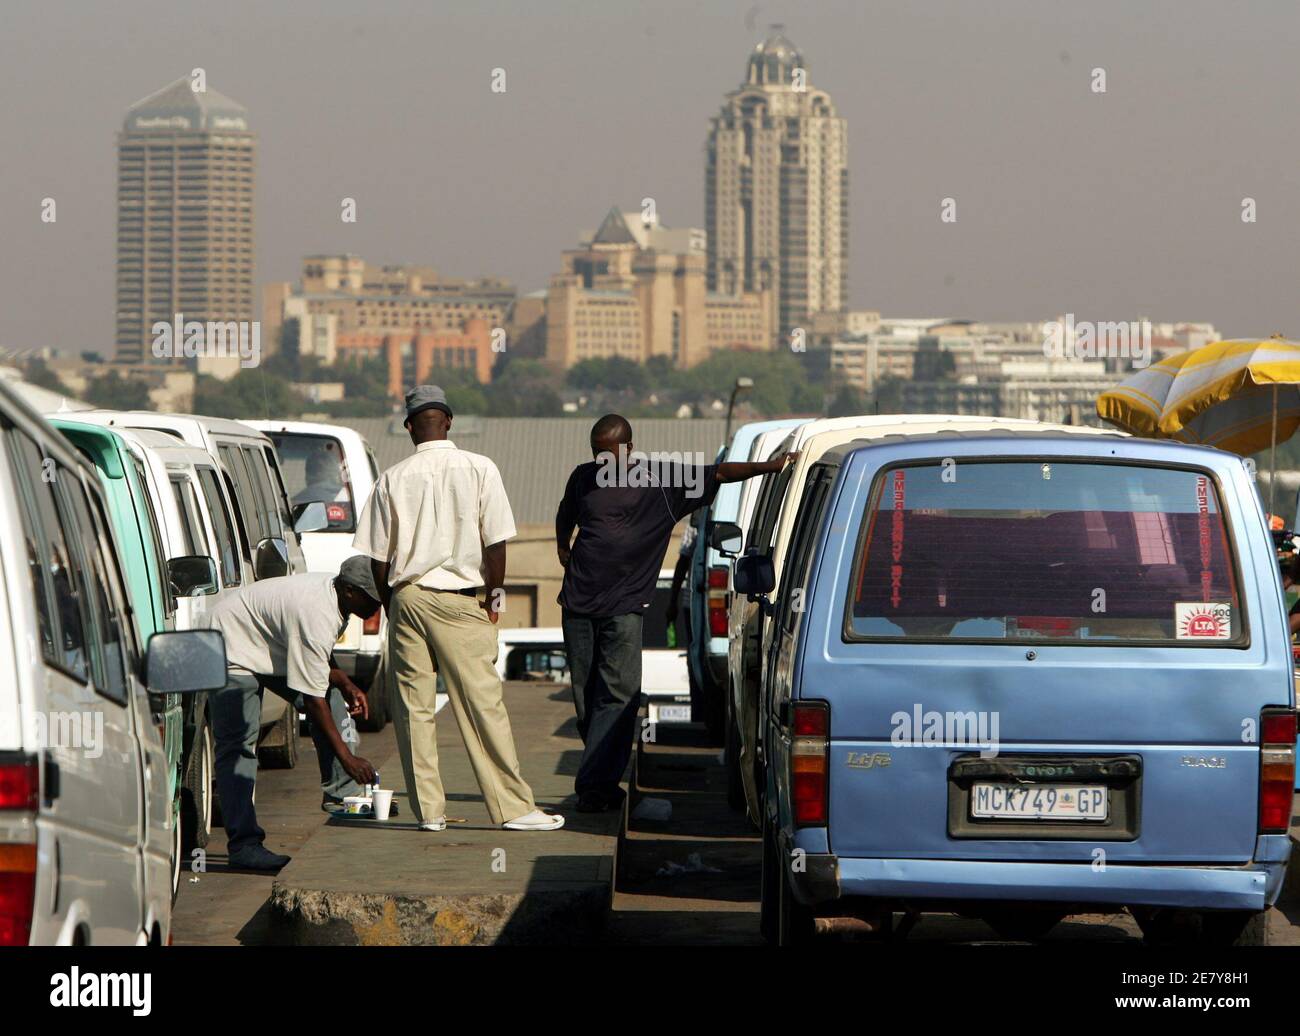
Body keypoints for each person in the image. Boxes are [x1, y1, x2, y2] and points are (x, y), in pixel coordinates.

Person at [555, 414, 796, 812]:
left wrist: (771, 467)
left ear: (629, 450)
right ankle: (597, 777)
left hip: (624, 608)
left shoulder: (662, 481)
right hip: (578, 603)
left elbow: (720, 471)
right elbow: (566, 512)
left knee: (618, 694)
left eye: (609, 454)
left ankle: (594, 787)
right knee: (586, 695)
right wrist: (562, 545)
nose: (602, 462)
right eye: (597, 453)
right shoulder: (583, 477)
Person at [353, 385, 564, 833]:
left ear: (410, 427)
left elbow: (376, 558)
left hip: (407, 595)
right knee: (481, 705)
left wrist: (394, 605)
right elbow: (496, 543)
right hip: (460, 598)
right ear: (448, 421)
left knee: (414, 710)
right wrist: (495, 597)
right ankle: (513, 808)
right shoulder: (479, 468)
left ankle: (429, 813)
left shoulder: (391, 477)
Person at [204, 557, 384, 870]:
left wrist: (342, 680)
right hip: (228, 646)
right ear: (352, 592)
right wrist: (349, 759)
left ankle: (342, 796)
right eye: (373, 599)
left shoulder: (336, 596)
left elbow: (318, 659)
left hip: (266, 644)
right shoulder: (317, 614)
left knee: (334, 697)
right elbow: (314, 703)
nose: (377, 608)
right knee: (238, 748)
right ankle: (244, 846)